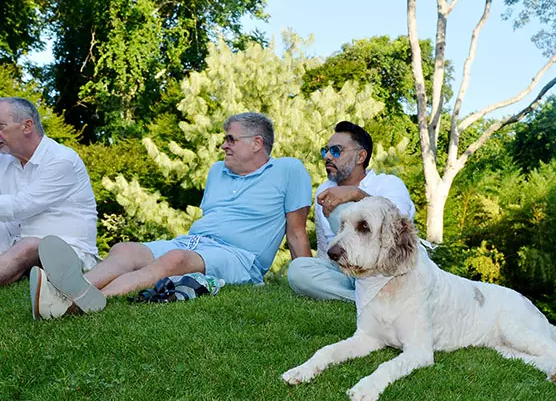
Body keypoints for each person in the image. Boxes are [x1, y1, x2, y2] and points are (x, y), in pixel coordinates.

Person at [31, 112, 313, 320]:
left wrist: (306, 280)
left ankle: (80, 303)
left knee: (175, 260)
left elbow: (296, 231)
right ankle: (68, 291)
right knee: (125, 250)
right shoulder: (217, 171)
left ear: (256, 143)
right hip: (195, 242)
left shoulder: (289, 170)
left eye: (230, 139)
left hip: (240, 257)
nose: (223, 145)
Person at [287, 121, 415, 302]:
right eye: (326, 151)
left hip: (384, 270)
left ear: (361, 156)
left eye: (336, 151)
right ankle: (361, 299)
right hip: (346, 273)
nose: (328, 157)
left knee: (341, 208)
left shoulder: (388, 183)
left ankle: (374, 295)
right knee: (298, 269)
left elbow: (397, 221)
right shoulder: (325, 189)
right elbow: (326, 249)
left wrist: (356, 194)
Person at [0, 97, 98, 286]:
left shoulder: (62, 160)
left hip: (70, 252)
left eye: (1, 126)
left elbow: (21, 206)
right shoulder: (5, 159)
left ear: (27, 126)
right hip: (17, 248)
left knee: (31, 245)